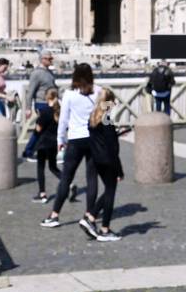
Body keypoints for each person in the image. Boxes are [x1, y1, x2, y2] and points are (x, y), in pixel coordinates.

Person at [41, 63, 98, 228]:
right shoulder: (100, 91)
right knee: (92, 178)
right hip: (94, 138)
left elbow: (63, 120)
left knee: (66, 177)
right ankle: (88, 214)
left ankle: (54, 215)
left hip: (75, 139)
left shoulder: (69, 94)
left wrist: (60, 140)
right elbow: (108, 114)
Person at [82, 87, 127, 241]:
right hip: (108, 160)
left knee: (108, 190)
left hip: (97, 159)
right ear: (109, 102)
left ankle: (90, 217)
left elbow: (99, 138)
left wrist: (116, 132)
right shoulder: (107, 119)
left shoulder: (93, 116)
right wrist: (119, 170)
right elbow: (112, 147)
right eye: (113, 102)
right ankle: (104, 229)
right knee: (110, 193)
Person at [21, 51, 58, 160]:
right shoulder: (36, 73)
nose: (51, 60)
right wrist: (28, 108)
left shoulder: (49, 72)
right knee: (40, 129)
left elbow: (53, 87)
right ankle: (28, 152)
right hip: (41, 103)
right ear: (42, 59)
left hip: (50, 104)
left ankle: (40, 151)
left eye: (51, 59)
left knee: (46, 129)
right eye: (49, 59)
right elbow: (31, 91)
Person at [32, 87, 62, 202]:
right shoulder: (59, 111)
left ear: (47, 97)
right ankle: (68, 183)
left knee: (41, 167)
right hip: (54, 143)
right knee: (53, 167)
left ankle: (42, 194)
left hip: (43, 143)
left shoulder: (44, 111)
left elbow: (38, 129)